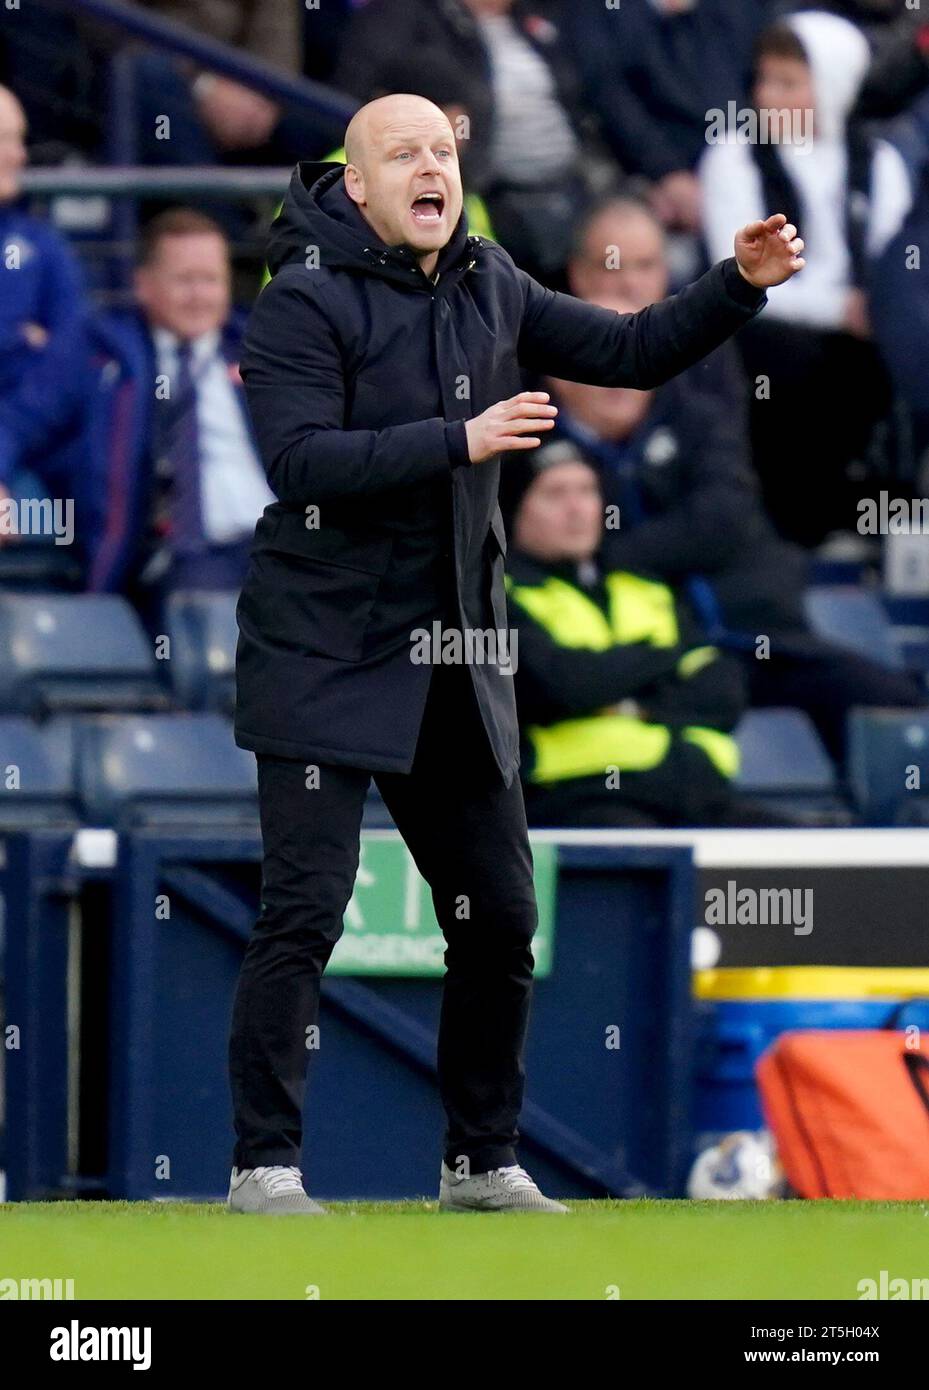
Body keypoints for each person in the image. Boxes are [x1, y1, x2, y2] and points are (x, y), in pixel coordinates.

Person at [228, 91, 804, 1215]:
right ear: (357, 183)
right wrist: (461, 439)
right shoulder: (298, 298)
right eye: (404, 154)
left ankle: (479, 1158)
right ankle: (265, 1162)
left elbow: (629, 350)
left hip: (453, 647)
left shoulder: (491, 278)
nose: (429, 168)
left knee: (496, 916)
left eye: (443, 151)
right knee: (304, 909)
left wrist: (732, 283)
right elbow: (297, 462)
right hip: (322, 648)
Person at [555, 194, 925, 766]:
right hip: (637, 659)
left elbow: (724, 514)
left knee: (891, 704)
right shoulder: (534, 407)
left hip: (753, 632)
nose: (628, 285)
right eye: (612, 266)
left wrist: (611, 552)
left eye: (646, 266)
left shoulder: (704, 376)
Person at [699, 11, 912, 543]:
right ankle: (800, 529)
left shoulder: (877, 160)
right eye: (764, 79)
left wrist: (879, 311)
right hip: (771, 327)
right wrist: (839, 309)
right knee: (792, 362)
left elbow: (895, 261)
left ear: (833, 85)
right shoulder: (734, 156)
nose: (768, 95)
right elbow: (737, 274)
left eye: (788, 82)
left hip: (867, 327)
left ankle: (890, 518)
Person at [499, 443, 788, 829]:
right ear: (515, 510)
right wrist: (662, 657)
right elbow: (565, 686)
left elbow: (721, 690)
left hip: (694, 790)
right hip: (576, 796)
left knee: (807, 848)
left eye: (586, 491)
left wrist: (621, 695)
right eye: (554, 494)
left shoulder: (643, 584)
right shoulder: (498, 594)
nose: (576, 509)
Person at [87, 209, 274, 622]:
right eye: (184, 280)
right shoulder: (109, 360)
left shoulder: (264, 350)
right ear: (143, 285)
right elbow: (28, 412)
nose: (199, 296)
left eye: (210, 281)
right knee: (211, 627)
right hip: (191, 558)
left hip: (283, 546)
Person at [0, 84, 88, 525]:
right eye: (5, 140)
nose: (20, 155)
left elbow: (67, 369)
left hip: (30, 469)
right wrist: (18, 339)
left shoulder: (44, 247)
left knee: (50, 521)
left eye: (20, 139)